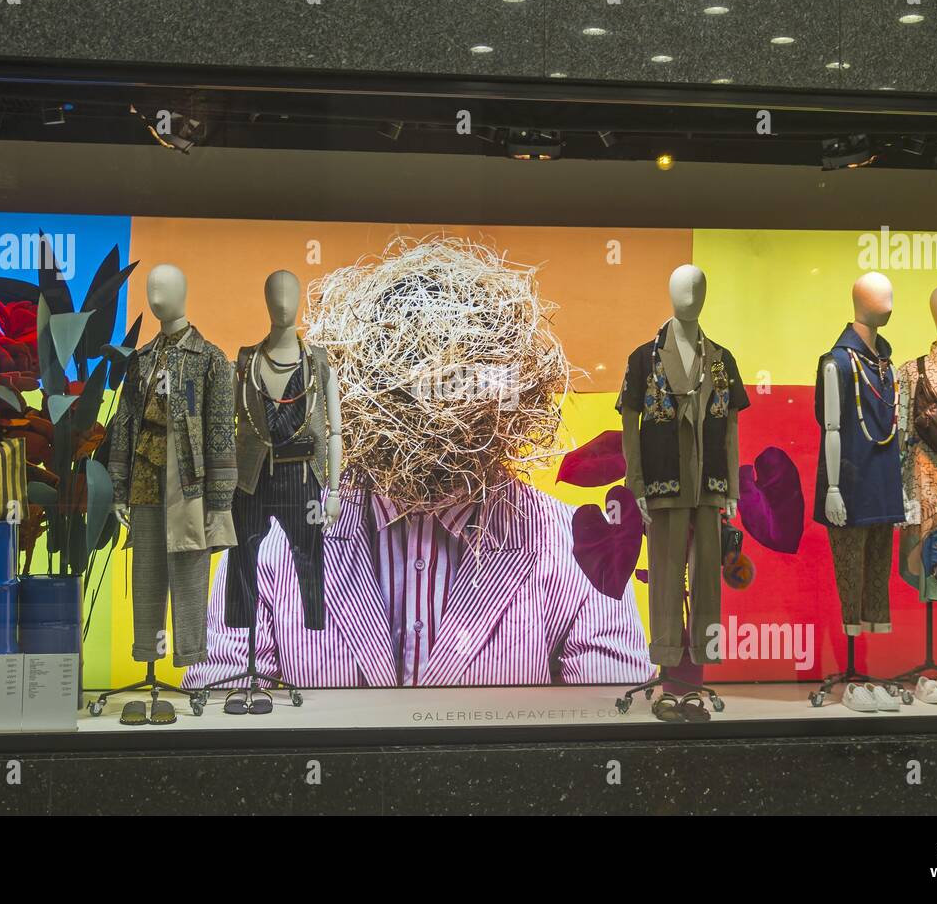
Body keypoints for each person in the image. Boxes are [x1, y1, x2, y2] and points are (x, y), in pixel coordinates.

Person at [183, 237, 651, 688]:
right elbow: (223, 708)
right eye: (408, 368)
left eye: (455, 373)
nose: (432, 396)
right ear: (360, 383)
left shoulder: (570, 549)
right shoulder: (274, 538)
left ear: (507, 388)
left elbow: (613, 721)